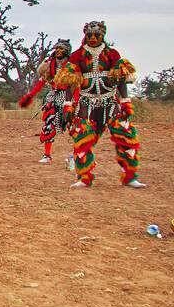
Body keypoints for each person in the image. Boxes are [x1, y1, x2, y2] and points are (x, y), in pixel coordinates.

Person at [53, 20, 145, 189]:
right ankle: (84, 177)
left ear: (103, 35)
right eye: (90, 35)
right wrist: (68, 104)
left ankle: (130, 176)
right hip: (86, 103)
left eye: (97, 35)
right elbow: (69, 83)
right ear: (85, 36)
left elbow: (120, 80)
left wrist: (126, 102)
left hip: (110, 102)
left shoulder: (112, 54)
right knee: (82, 139)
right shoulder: (77, 56)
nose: (93, 38)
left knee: (126, 137)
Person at [17, 37, 73, 163]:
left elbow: (76, 84)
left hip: (69, 98)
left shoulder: (72, 65)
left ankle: (78, 156)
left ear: (67, 51)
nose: (58, 51)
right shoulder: (50, 64)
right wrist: (31, 95)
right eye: (57, 48)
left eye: (61, 49)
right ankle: (47, 155)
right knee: (49, 125)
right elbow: (42, 81)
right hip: (53, 97)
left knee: (74, 126)